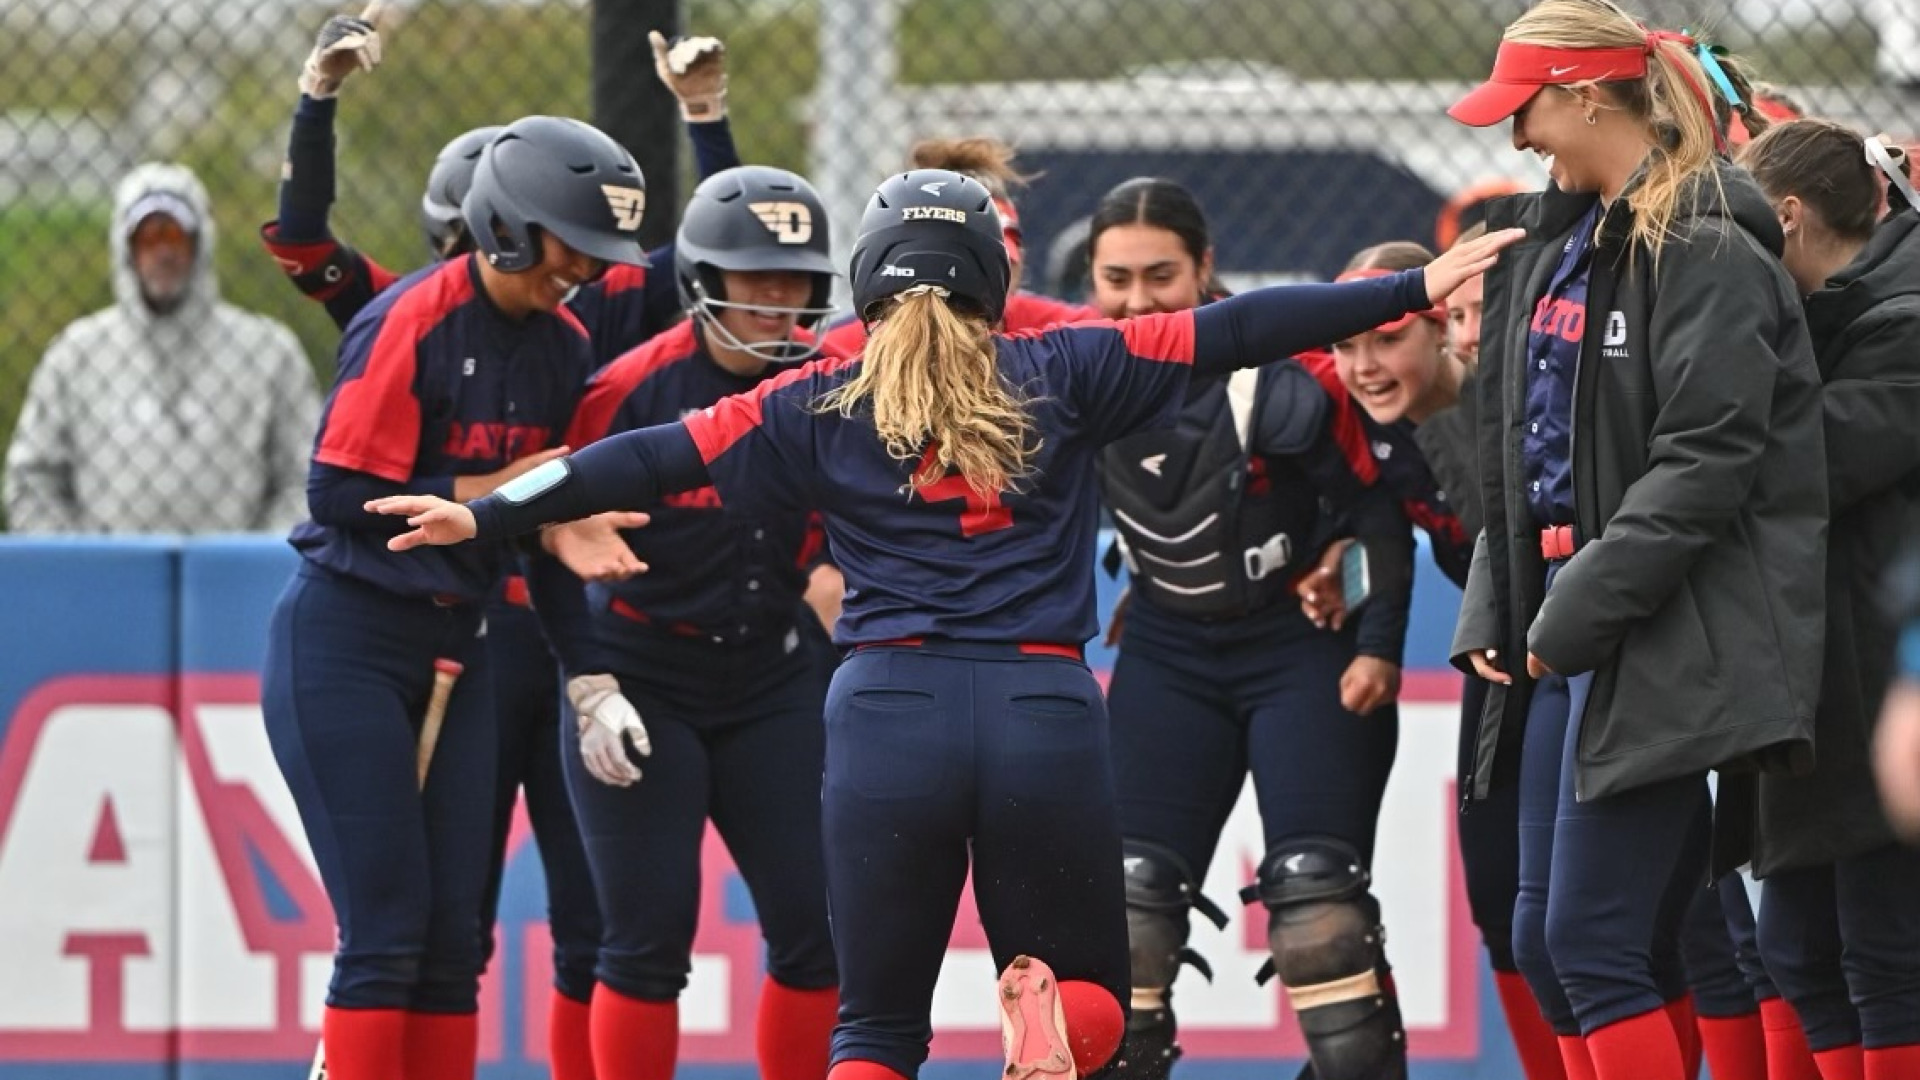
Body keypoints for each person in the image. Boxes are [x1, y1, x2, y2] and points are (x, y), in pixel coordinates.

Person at [365, 168, 1518, 1080]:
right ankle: (1042, 1015)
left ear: (868, 279)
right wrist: (1411, 288)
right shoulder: (1069, 364)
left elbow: (636, 459)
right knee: (1097, 1000)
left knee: (873, 1028)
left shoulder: (813, 397)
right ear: (992, 277)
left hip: (887, 710)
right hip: (1040, 707)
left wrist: (486, 517)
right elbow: (1248, 326)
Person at [257, 21, 747, 1078]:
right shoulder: (409, 316)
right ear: (506, 227)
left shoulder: (565, 343)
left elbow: (535, 529)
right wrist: (497, 495)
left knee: (448, 949)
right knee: (386, 929)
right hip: (352, 634)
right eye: (571, 243)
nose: (588, 270)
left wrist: (588, 674)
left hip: (467, 637)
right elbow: (337, 493)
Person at [1446, 4, 1827, 1080]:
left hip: (1658, 624)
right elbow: (1530, 445)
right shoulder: (1576, 238)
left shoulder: (1703, 242)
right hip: (1574, 615)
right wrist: (1501, 595)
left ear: (1583, 99)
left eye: (1525, 109)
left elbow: (1707, 456)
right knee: (1547, 942)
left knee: (1595, 943)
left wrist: (1576, 607)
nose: (1515, 136)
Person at [1082, 178, 1417, 1080]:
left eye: (1161, 276)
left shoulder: (1286, 376)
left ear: (1205, 268)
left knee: (1321, 917)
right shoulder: (1075, 370)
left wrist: (1380, 646)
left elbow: (1378, 515)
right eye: (1117, 279)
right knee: (1125, 921)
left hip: (1299, 648)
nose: (1139, 301)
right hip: (1166, 651)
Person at [552, 164, 842, 1080]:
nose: (776, 298)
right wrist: (587, 680)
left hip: (772, 670)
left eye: (794, 279)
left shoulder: (830, 383)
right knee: (644, 939)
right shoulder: (628, 387)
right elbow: (549, 532)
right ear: (702, 278)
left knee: (820, 926)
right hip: (643, 671)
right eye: (755, 275)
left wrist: (835, 567)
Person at [1739, 117, 1920, 1080]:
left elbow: (1809, 465)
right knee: (1797, 954)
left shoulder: (1903, 318)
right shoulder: (1828, 316)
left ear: (1789, 216)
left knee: (1886, 955)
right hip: (1819, 670)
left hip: (1881, 675)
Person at [6, 161, 318, 534]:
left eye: (175, 235)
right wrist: (82, 559)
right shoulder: (75, 355)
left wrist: (252, 557)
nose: (163, 252)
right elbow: (31, 480)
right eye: (148, 238)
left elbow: (306, 477)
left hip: (236, 568)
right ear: (125, 248)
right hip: (105, 567)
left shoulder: (268, 353)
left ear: (200, 243)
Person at [819, 135, 1094, 357]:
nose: (966, 285)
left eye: (987, 268)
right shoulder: (838, 346)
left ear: (1018, 265)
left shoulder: (1068, 330)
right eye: (946, 266)